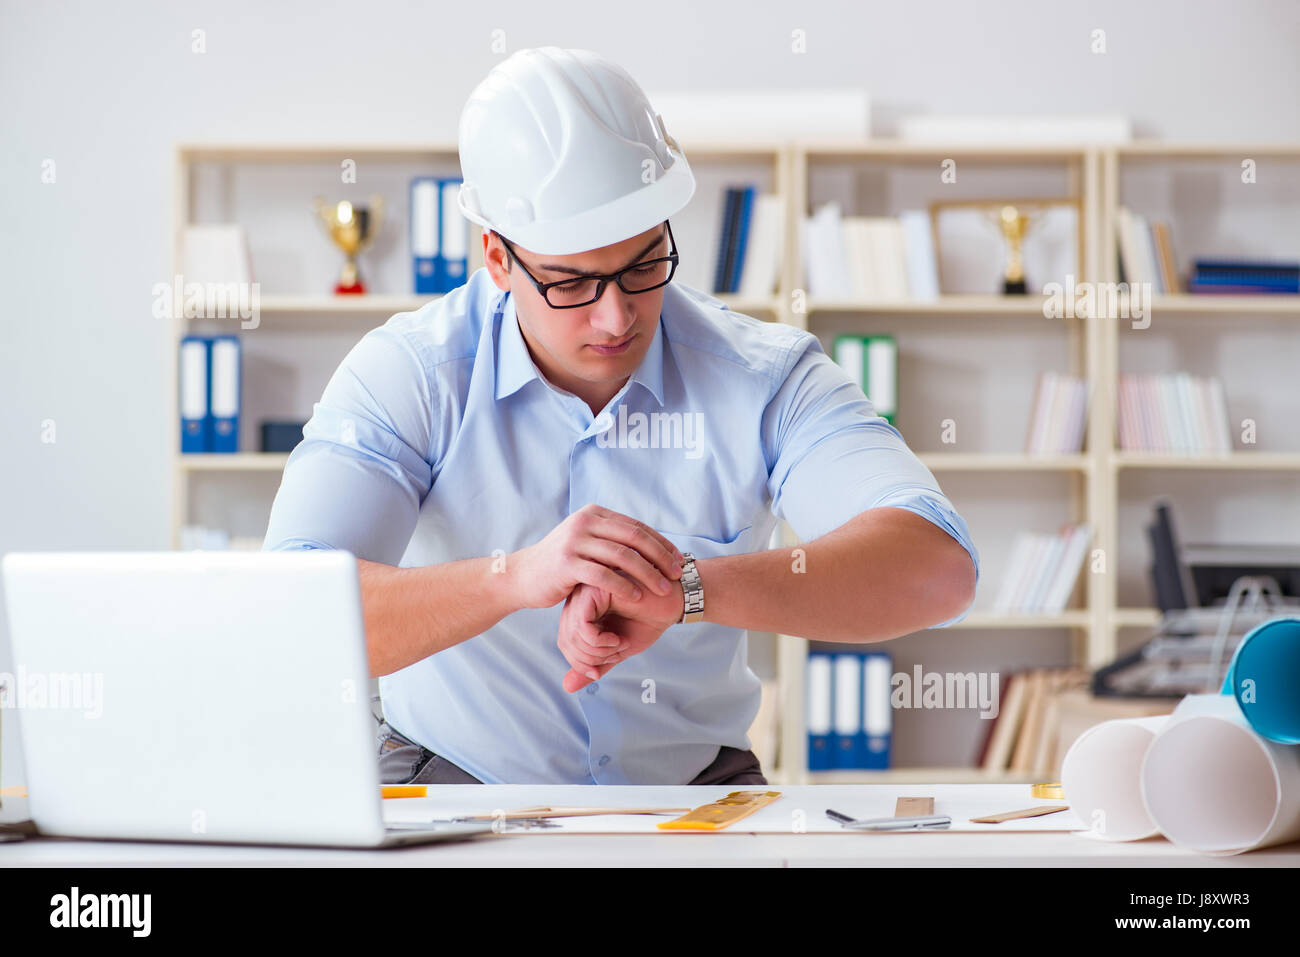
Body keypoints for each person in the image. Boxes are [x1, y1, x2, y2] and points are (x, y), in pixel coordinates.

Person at [263, 46, 979, 787]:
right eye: (573, 281)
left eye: (643, 265)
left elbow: (939, 570)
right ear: (499, 260)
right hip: (455, 775)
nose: (616, 316)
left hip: (695, 787)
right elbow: (286, 620)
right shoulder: (411, 375)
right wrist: (515, 579)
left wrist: (685, 589)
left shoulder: (764, 377)